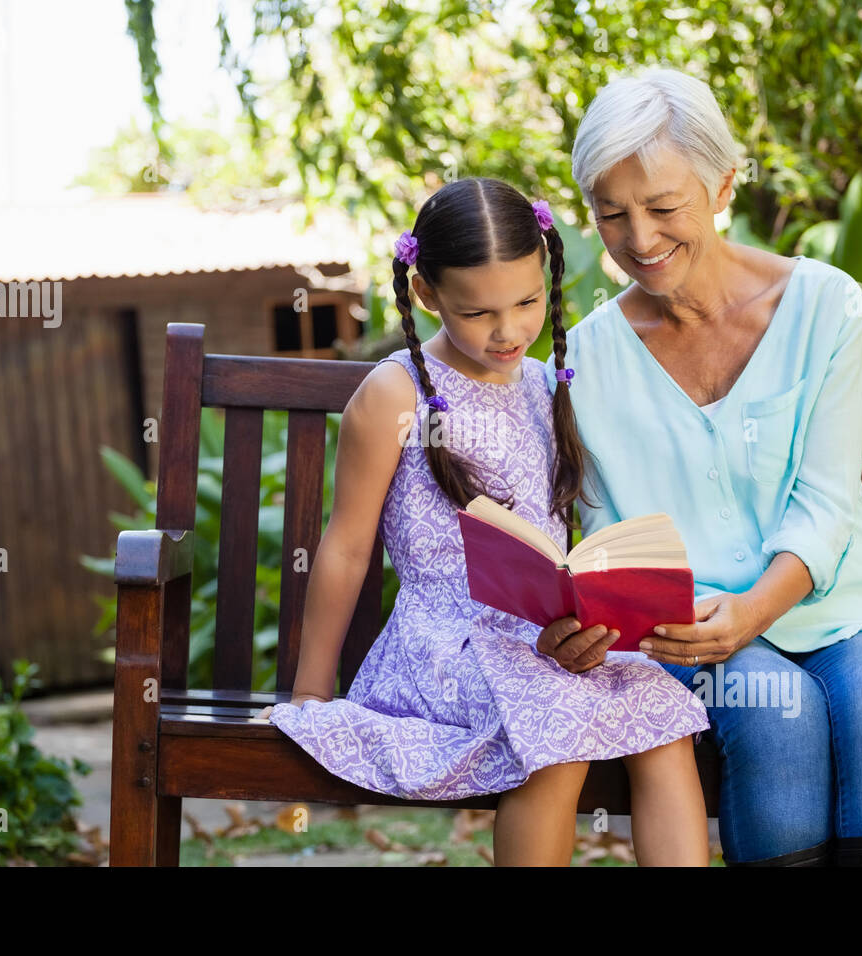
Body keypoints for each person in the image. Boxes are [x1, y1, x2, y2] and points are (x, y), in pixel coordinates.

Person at [538, 67, 862, 866]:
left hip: (835, 609)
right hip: (688, 629)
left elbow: (828, 501)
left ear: (722, 183)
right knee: (777, 710)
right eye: (611, 214)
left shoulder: (826, 305)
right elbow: (606, 533)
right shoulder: (585, 359)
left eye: (663, 208)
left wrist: (758, 609)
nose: (639, 241)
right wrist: (588, 621)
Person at [259, 177, 711, 866]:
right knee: (555, 730)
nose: (509, 332)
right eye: (478, 313)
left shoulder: (543, 385)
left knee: (663, 717)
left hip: (546, 640)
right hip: (442, 647)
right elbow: (347, 548)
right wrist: (312, 695)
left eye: (528, 303)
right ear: (426, 295)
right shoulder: (394, 393)